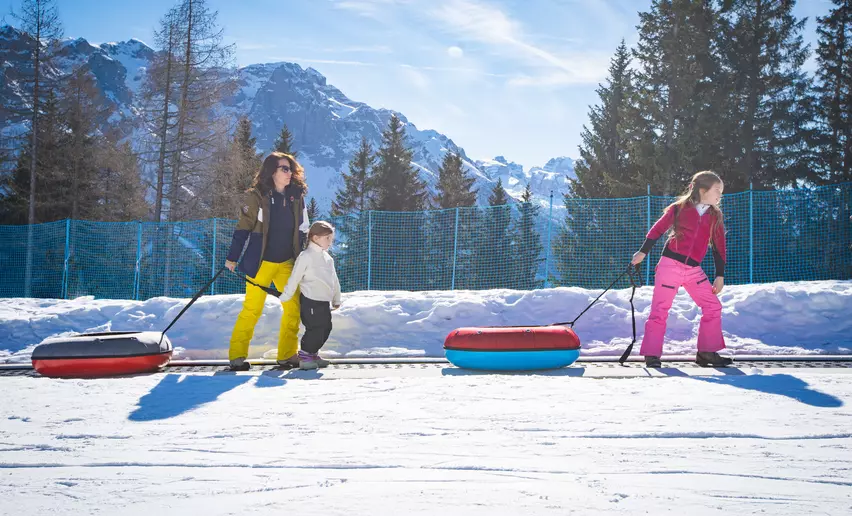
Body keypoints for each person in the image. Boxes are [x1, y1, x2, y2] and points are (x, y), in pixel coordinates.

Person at [630, 171, 732, 368]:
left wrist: (720, 275)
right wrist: (643, 252)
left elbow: (720, 246)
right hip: (670, 266)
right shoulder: (678, 209)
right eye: (717, 190)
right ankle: (652, 354)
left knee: (713, 306)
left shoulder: (715, 216)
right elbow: (658, 229)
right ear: (703, 190)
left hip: (694, 270)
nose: (720, 195)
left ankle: (706, 352)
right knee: (660, 310)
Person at [224, 152, 309, 371]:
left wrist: (308, 257)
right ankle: (237, 356)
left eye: (290, 168)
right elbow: (243, 227)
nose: (289, 173)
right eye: (284, 168)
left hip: (287, 262)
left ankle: (287, 355)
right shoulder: (257, 196)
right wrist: (232, 257)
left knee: (293, 307)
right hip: (261, 263)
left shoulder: (297, 196)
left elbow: (303, 229)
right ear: (272, 171)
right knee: (252, 309)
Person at [279, 221, 342, 370]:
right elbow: (295, 277)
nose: (330, 242)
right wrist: (286, 295)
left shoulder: (328, 258)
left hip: (324, 301)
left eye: (331, 239)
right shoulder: (306, 256)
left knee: (326, 328)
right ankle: (305, 356)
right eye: (327, 238)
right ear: (314, 237)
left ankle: (312, 354)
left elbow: (334, 279)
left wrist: (336, 298)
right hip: (310, 301)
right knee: (314, 329)